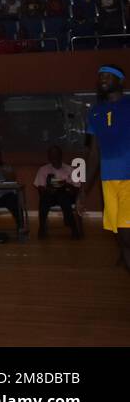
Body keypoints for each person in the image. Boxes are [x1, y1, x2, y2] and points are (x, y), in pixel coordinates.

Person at [84, 65, 130, 273]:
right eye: (100, 75)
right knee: (118, 233)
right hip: (108, 181)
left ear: (120, 81)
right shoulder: (95, 113)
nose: (102, 78)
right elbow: (94, 154)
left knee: (125, 232)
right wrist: (83, 191)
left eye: (107, 75)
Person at [34, 146, 80, 239]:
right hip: (50, 195)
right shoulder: (43, 169)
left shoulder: (70, 169)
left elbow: (77, 188)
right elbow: (40, 187)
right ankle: (42, 227)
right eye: (51, 155)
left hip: (66, 194)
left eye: (56, 155)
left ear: (61, 156)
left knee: (63, 197)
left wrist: (66, 184)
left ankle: (73, 228)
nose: (54, 157)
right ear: (49, 157)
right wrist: (48, 189)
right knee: (44, 199)